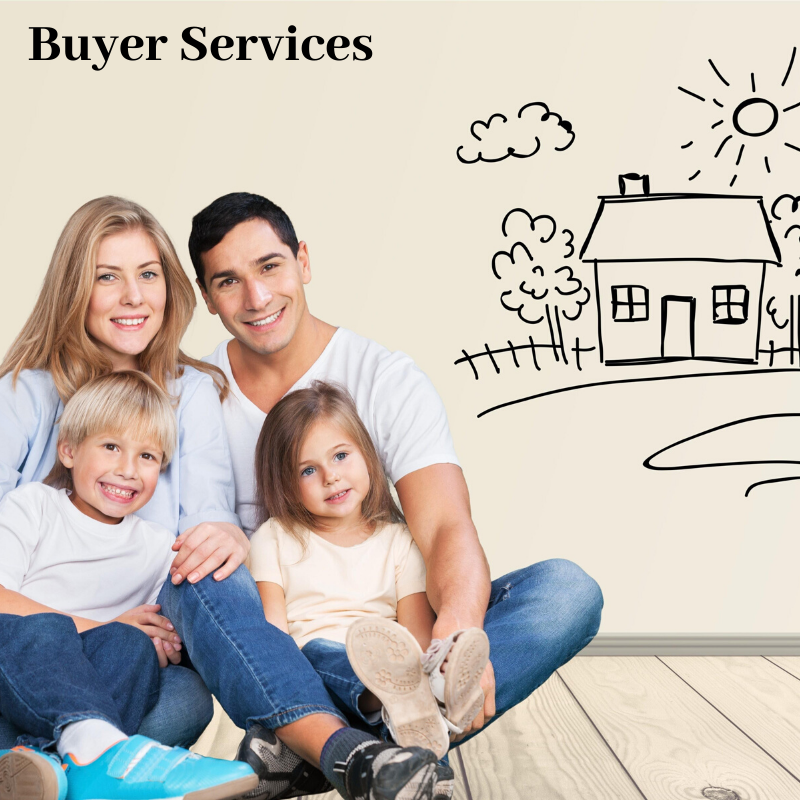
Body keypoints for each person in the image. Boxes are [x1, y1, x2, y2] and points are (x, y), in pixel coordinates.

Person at [187, 193, 603, 784]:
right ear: (207, 297)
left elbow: (442, 526)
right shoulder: (194, 393)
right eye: (228, 281)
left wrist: (457, 637)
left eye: (270, 266)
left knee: (567, 591)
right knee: (203, 570)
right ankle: (371, 738)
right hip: (272, 638)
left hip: (386, 630)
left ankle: (319, 747)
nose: (256, 298)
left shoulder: (385, 379)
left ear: (303, 261)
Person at [0, 195, 248, 749]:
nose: (133, 296)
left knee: (184, 698)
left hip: (120, 648)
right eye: (107, 276)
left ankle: (42, 764)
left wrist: (230, 532)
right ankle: (75, 762)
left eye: (148, 274)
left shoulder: (192, 391)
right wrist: (95, 627)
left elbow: (205, 526)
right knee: (43, 650)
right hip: (24, 638)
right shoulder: (22, 396)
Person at [0, 371, 257, 800]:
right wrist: (97, 625)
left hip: (95, 680)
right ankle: (88, 756)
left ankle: (38, 767)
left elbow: (165, 638)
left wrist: (163, 645)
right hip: (17, 670)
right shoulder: (34, 505)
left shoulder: (158, 547)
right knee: (44, 629)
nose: (127, 470)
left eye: (148, 457)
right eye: (111, 447)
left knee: (140, 652)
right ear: (68, 449)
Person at [250, 381, 490, 781]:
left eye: (341, 456)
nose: (331, 477)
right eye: (309, 470)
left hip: (396, 666)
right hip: (315, 675)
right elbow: (274, 635)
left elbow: (415, 634)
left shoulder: (398, 541)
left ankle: (413, 721)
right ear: (288, 486)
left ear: (367, 457)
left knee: (413, 671)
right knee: (322, 653)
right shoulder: (274, 538)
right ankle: (410, 710)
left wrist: (428, 661)